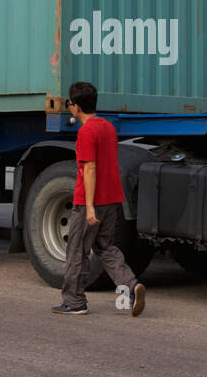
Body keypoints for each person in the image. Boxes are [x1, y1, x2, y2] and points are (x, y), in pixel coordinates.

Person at [52, 81, 146, 317]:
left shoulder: (86, 131)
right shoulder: (108, 127)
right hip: (112, 200)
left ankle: (74, 302)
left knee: (76, 251)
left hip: (88, 202)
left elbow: (90, 169)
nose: (69, 107)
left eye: (69, 103)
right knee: (105, 247)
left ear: (75, 107)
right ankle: (132, 285)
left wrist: (90, 207)